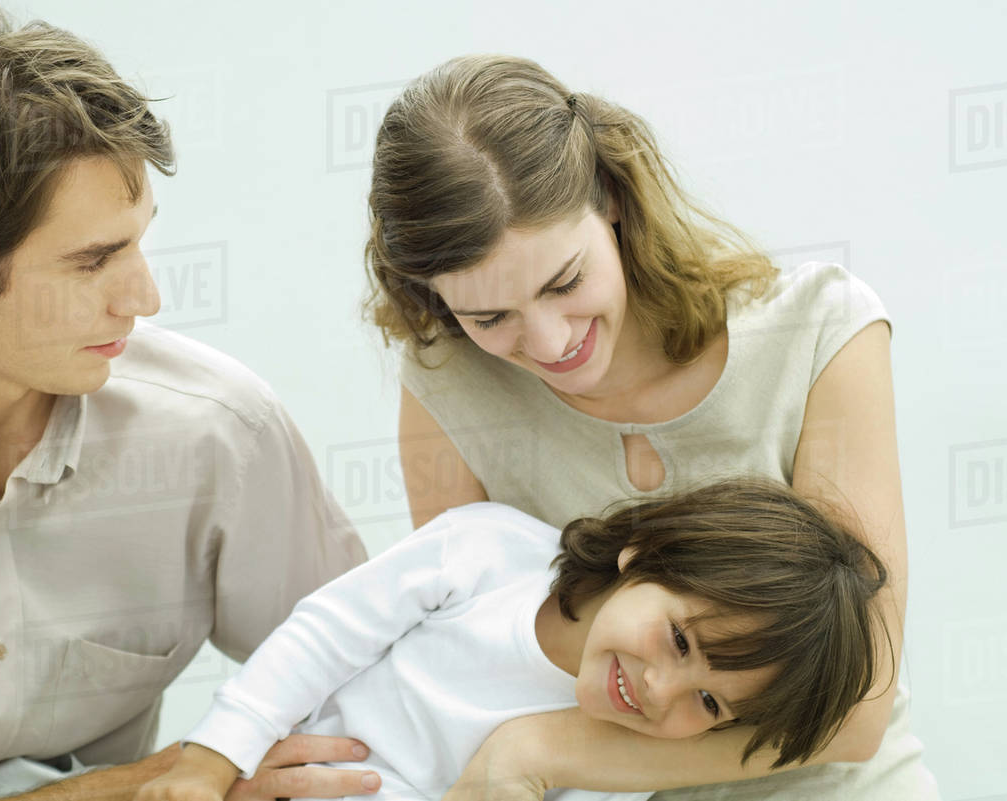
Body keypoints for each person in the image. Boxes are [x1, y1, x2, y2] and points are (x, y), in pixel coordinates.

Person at [0, 7, 377, 801]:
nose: (145, 296)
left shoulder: (217, 433)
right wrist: (146, 781)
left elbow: (372, 701)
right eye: (93, 261)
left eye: (139, 241)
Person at [364, 55, 939, 799]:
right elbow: (460, 657)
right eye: (489, 316)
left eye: (564, 281)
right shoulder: (451, 387)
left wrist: (541, 748)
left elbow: (857, 709)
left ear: (610, 199)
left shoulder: (821, 332)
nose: (546, 342)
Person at [135, 478, 891, 801]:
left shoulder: (608, 762)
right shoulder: (488, 551)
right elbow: (322, 635)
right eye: (681, 640)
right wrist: (210, 759)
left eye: (709, 702)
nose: (660, 689)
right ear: (645, 554)